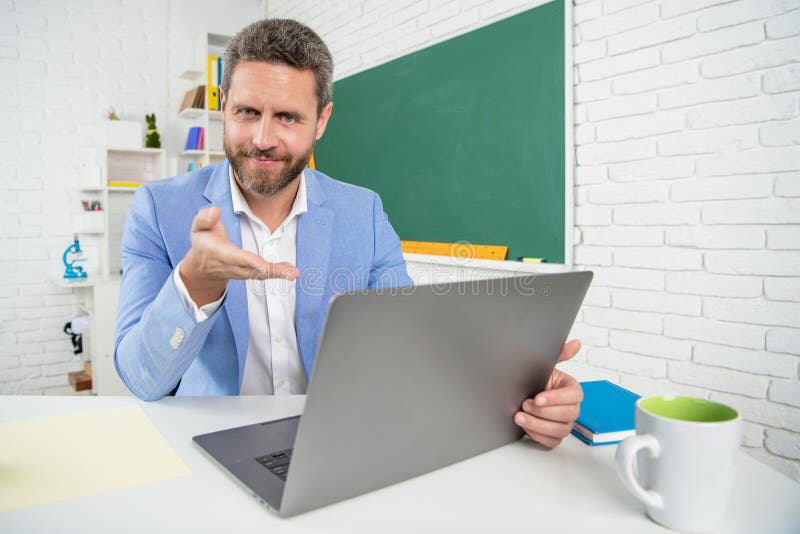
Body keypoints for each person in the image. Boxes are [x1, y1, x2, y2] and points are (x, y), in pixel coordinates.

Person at [114, 18, 583, 448]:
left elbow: (411, 347)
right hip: (205, 446)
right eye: (247, 112)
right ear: (223, 108)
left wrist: (522, 394)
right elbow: (141, 378)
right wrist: (197, 283)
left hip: (335, 445)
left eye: (289, 118)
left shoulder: (364, 212)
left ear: (322, 120)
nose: (262, 139)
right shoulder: (158, 209)